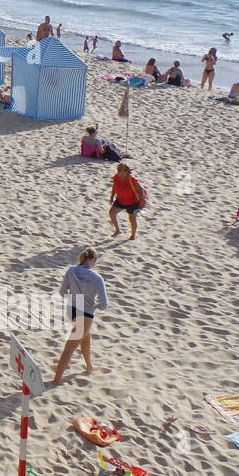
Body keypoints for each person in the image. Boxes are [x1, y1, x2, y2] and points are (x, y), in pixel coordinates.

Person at [52, 248, 109, 385]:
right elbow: (104, 304)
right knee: (70, 348)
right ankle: (56, 380)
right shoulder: (97, 278)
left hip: (72, 310)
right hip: (86, 314)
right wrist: (95, 306)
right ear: (94, 260)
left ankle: (89, 366)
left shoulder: (71, 271)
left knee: (85, 337)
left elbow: (62, 292)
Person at [108, 162, 146, 240]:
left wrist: (142, 200)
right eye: (117, 170)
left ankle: (133, 235)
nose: (117, 172)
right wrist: (112, 197)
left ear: (125, 172)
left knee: (132, 219)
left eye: (119, 171)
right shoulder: (116, 177)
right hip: (120, 200)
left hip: (132, 202)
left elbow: (141, 189)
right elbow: (114, 187)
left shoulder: (132, 179)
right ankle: (118, 230)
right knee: (111, 213)